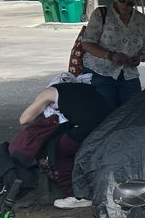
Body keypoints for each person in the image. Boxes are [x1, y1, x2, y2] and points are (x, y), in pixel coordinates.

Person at [19, 76, 112, 208]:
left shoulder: (48, 93)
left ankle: (76, 195)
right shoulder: (82, 88)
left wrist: (41, 105)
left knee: (57, 150)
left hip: (87, 127)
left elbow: (24, 119)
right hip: (109, 124)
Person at [80, 0, 145, 109]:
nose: (125, 5)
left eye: (130, 3)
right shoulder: (101, 14)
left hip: (128, 74)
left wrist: (139, 58)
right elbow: (87, 43)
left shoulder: (141, 20)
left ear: (136, 2)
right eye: (121, 0)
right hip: (100, 72)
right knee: (103, 114)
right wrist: (110, 55)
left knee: (131, 113)